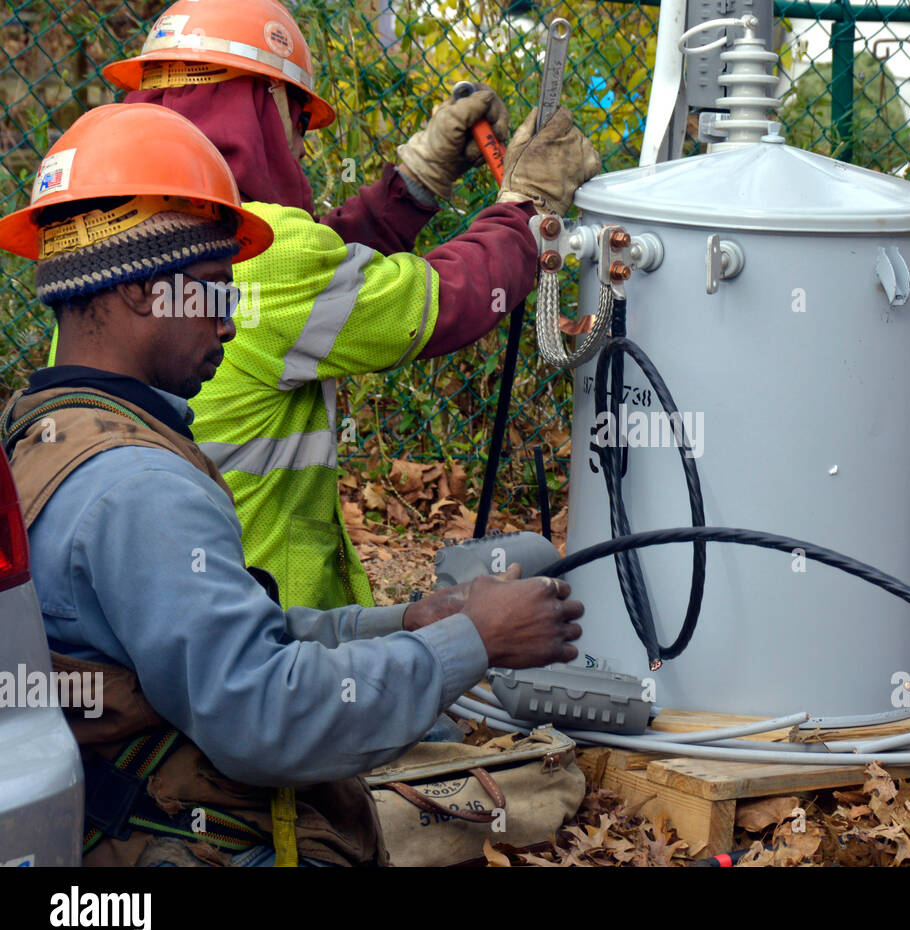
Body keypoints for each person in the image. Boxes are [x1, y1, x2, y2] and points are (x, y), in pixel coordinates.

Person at [0, 103, 583, 867]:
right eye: (214, 289)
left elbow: (228, 646)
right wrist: (474, 640)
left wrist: (409, 622)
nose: (231, 324)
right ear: (143, 293)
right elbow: (262, 716)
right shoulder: (140, 488)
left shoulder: (42, 426)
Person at [97, 0, 601, 609]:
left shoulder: (112, 230)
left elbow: (318, 281)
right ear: (257, 106)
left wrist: (415, 184)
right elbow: (437, 301)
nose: (303, 144)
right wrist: (530, 209)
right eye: (298, 115)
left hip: (144, 609)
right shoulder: (268, 254)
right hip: (265, 627)